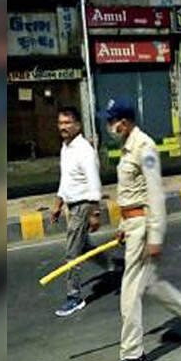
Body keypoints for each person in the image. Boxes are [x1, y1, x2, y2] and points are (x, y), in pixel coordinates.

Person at [103, 98, 181, 361]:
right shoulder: (126, 148)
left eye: (110, 121)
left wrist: (156, 235)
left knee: (129, 294)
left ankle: (133, 354)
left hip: (144, 227)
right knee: (149, 283)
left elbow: (155, 193)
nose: (108, 127)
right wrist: (123, 225)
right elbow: (130, 194)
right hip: (133, 224)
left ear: (123, 122)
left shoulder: (144, 147)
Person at [50, 107, 110, 317]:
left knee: (72, 252)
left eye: (67, 123)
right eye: (60, 123)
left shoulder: (85, 150)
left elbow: (95, 184)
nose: (63, 127)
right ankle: (108, 265)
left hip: (84, 204)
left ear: (78, 125)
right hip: (71, 204)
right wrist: (58, 203)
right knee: (83, 245)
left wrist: (95, 213)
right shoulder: (66, 148)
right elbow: (65, 179)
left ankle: (74, 297)